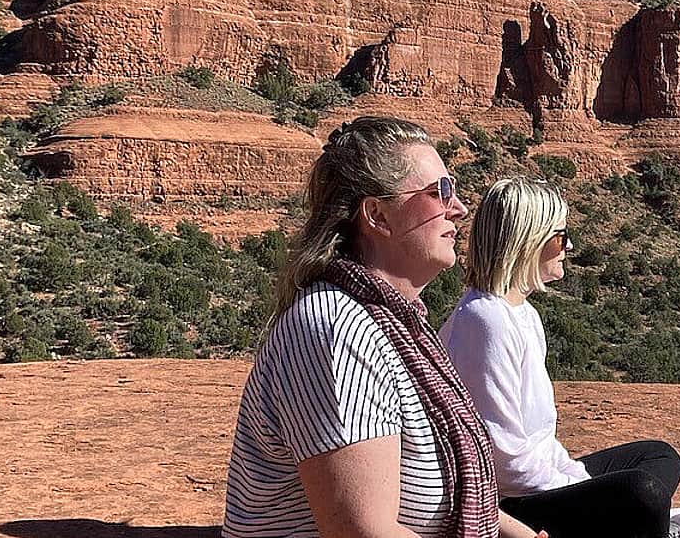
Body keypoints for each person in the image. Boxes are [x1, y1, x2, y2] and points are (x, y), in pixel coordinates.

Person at [223, 117, 545, 538]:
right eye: (439, 192)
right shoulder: (335, 329)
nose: (459, 208)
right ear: (377, 215)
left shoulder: (398, 325)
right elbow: (362, 532)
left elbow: (448, 491)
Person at [439, 177, 680, 538]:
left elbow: (537, 441)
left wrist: (574, 476)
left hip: (540, 480)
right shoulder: (486, 321)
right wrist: (572, 484)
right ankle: (650, 527)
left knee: (661, 458)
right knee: (643, 494)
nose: (569, 245)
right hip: (508, 503)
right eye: (560, 236)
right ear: (528, 242)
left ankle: (644, 526)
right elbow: (502, 463)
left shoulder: (521, 314)